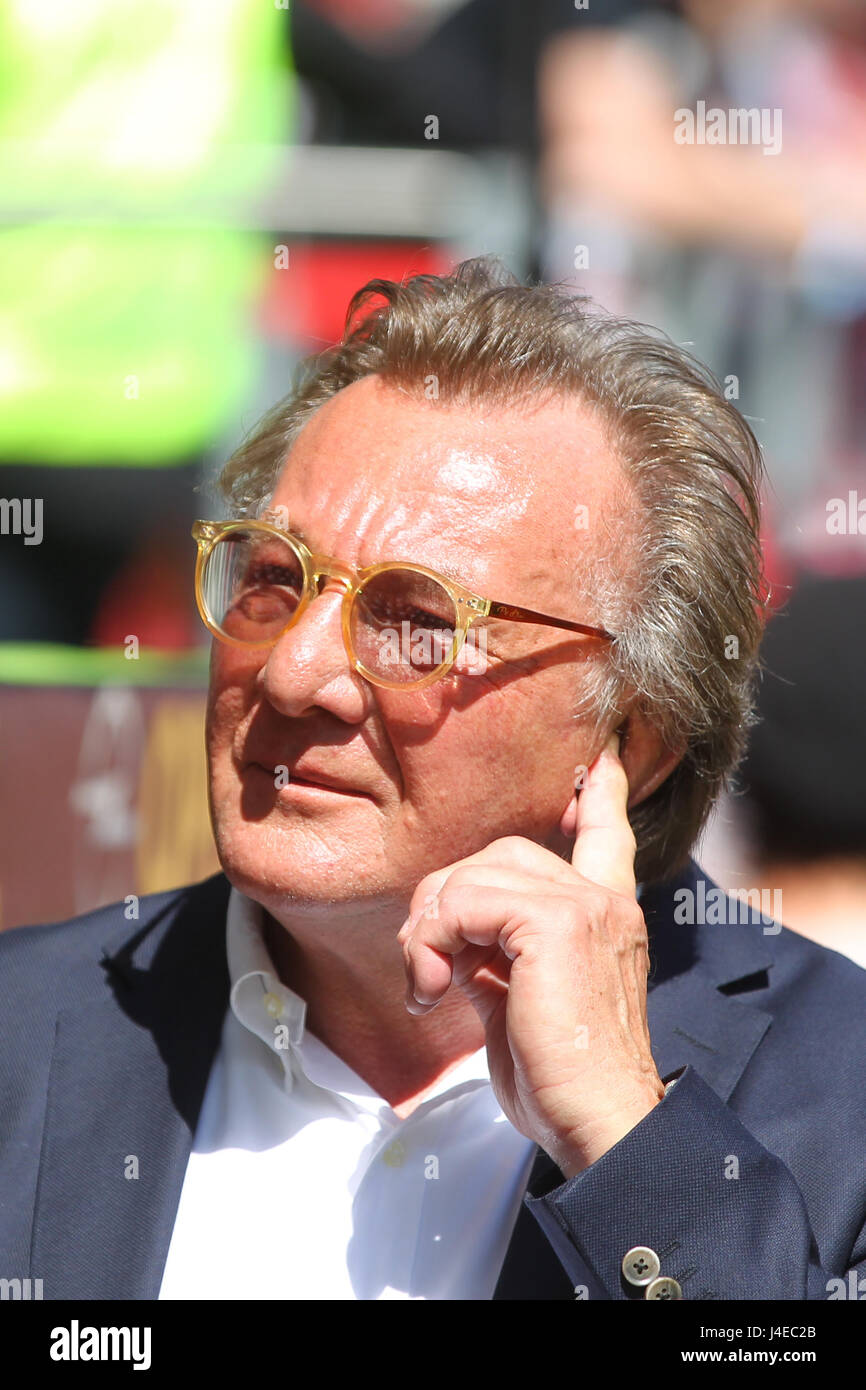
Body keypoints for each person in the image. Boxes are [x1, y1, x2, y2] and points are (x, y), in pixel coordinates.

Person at [2, 258, 865, 1302]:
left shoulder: (835, 1094)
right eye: (274, 577)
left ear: (631, 739)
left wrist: (631, 1143)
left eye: (414, 621)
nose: (292, 670)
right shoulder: (27, 1033)